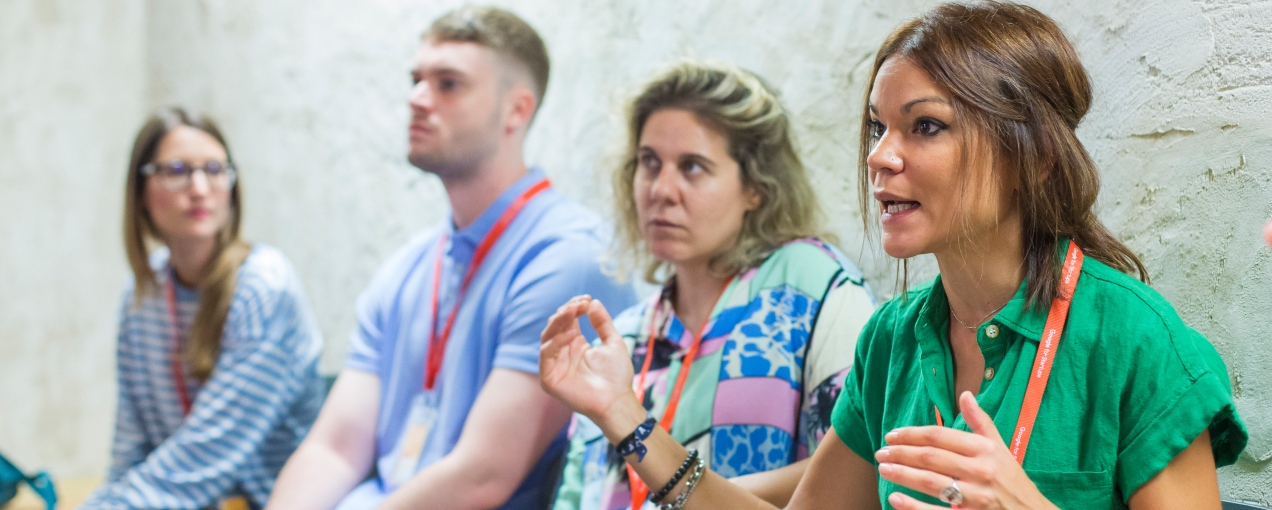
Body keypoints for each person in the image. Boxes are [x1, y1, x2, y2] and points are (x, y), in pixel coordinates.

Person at [539, 3, 1248, 509]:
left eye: (926, 126)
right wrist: (625, 418)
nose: (880, 156)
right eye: (879, 127)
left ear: (1031, 156)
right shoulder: (892, 338)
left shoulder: (1134, 340)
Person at [266, 6, 636, 510]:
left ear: (517, 110)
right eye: (417, 79)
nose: (417, 99)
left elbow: (482, 476)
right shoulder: (406, 268)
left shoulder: (570, 257)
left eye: (449, 84)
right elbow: (332, 450)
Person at [549, 60, 876, 510]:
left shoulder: (810, 285)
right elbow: (575, 495)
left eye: (693, 167)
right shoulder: (624, 336)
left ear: (756, 187)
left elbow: (859, 466)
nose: (661, 189)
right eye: (649, 163)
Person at [82, 106, 325, 509]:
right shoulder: (142, 296)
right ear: (140, 193)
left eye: (214, 169)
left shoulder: (264, 287)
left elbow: (208, 457)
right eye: (176, 171)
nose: (199, 188)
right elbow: (130, 450)